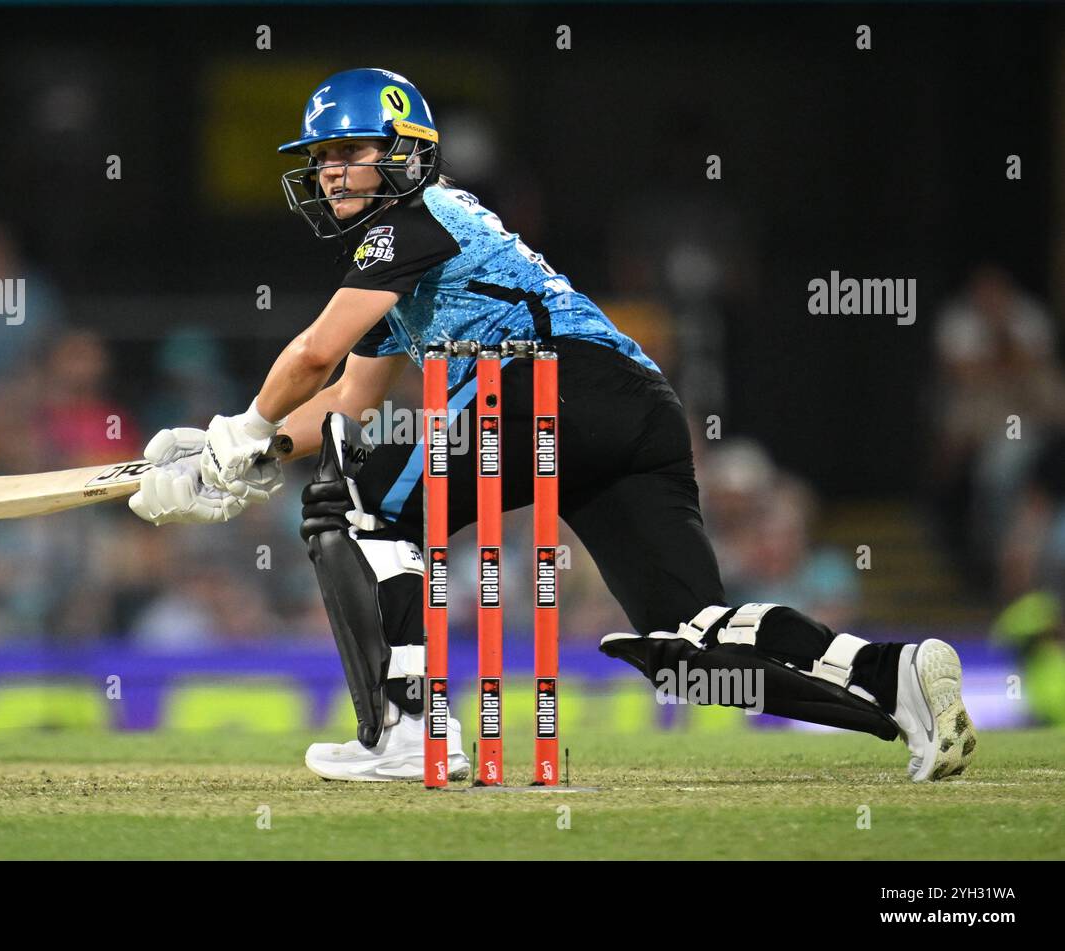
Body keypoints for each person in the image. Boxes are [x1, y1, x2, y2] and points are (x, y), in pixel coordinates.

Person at [127, 67, 977, 783]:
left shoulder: (412, 222)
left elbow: (313, 353)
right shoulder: (414, 253)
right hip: (632, 406)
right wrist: (240, 452)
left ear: (407, 154)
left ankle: (406, 728)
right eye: (323, 159)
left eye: (351, 153)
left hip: (548, 387)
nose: (333, 173)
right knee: (689, 650)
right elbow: (344, 404)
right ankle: (893, 675)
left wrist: (238, 430)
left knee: (347, 500)